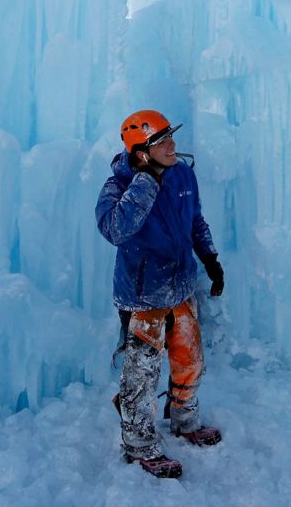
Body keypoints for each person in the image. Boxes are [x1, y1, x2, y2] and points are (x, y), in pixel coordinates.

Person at [95, 109, 225, 479]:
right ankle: (138, 444)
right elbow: (117, 229)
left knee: (190, 358)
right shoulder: (116, 187)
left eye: (171, 136)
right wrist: (146, 182)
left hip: (181, 286)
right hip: (142, 297)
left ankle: (184, 419)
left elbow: (195, 220)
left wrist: (210, 258)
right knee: (141, 373)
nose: (173, 145)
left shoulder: (183, 174)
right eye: (162, 140)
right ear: (140, 153)